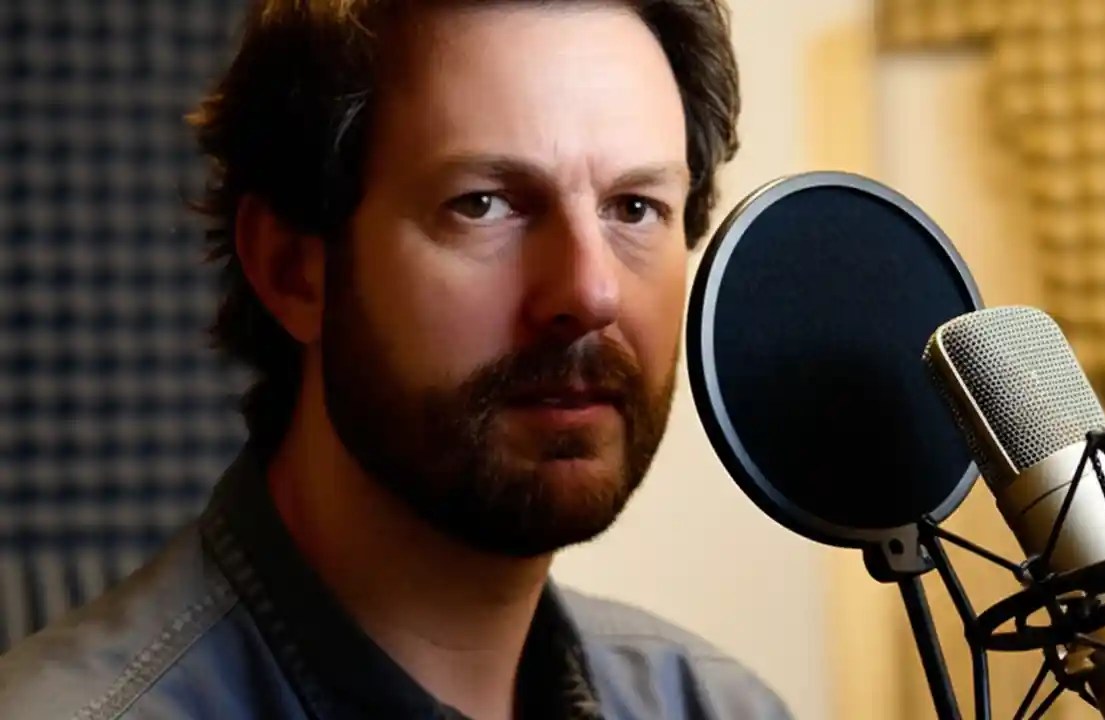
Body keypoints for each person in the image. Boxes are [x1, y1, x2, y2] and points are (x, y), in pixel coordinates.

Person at [0, 0, 793, 718]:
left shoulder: (718, 707)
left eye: (634, 209)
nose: (590, 292)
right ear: (292, 269)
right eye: (483, 204)